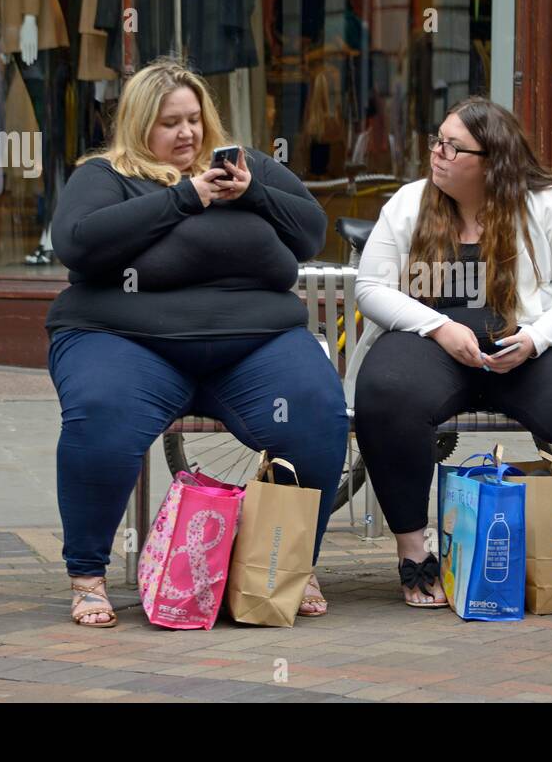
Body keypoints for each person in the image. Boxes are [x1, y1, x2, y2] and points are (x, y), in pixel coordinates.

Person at [46, 57, 347, 626]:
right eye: (169, 122)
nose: (186, 133)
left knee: (315, 410)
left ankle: (291, 565)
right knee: (101, 413)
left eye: (193, 118)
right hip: (125, 339)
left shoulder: (242, 166)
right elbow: (80, 245)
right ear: (139, 125)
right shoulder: (105, 175)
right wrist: (185, 198)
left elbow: (310, 233)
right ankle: (87, 574)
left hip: (254, 343)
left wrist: (254, 193)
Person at [352, 96, 552, 610]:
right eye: (436, 140)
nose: (436, 152)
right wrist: (436, 325)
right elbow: (371, 288)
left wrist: (537, 338)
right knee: (386, 392)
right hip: (433, 346)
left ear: (492, 160)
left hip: (528, 346)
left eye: (452, 146)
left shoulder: (544, 204)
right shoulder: (411, 203)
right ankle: (414, 554)